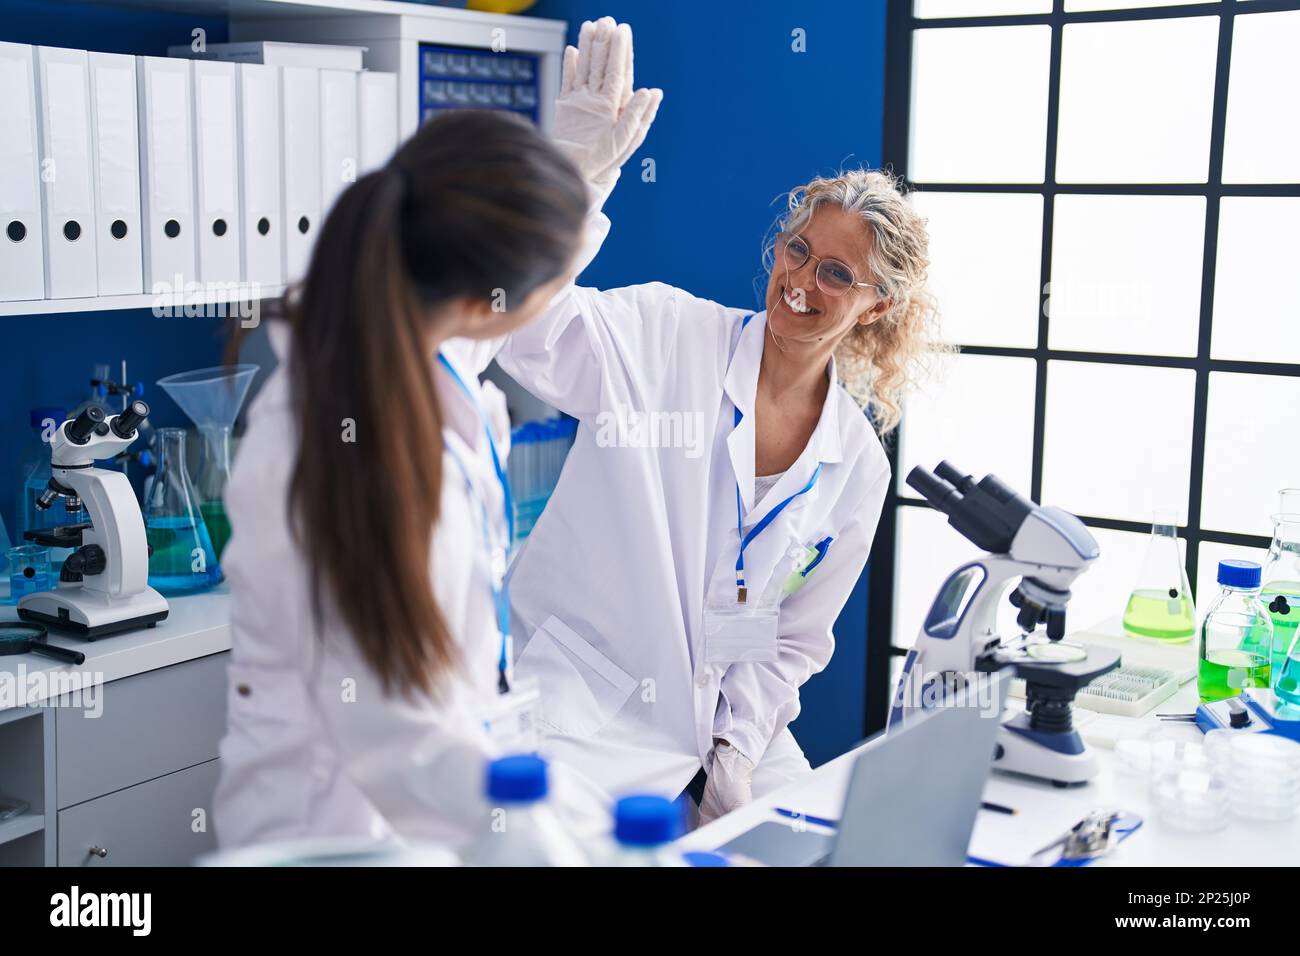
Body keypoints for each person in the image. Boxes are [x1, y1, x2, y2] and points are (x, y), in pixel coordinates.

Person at [481, 18, 941, 824]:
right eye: (798, 251)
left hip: (733, 731)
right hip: (581, 715)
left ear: (878, 309)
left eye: (837, 273)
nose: (802, 281)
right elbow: (517, 327)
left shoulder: (855, 466)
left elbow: (789, 637)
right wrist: (569, 187)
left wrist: (733, 751)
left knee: (815, 840)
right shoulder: (664, 334)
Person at [212, 109, 629, 849]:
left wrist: (574, 180)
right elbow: (405, 744)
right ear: (483, 302)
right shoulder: (340, 453)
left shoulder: (414, 349)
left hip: (419, 803)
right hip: (333, 833)